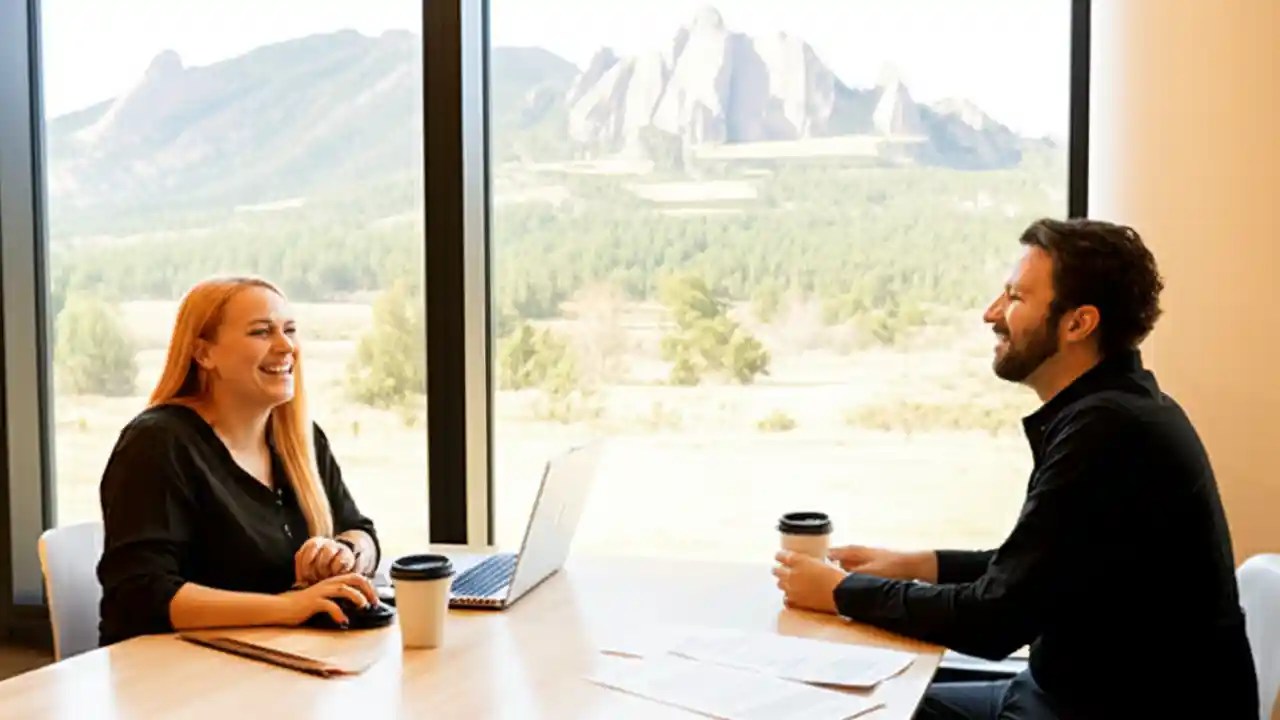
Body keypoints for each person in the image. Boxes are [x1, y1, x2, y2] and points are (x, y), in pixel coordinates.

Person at [773, 219, 1259, 719]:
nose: (992, 313)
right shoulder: (1120, 408)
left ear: (1078, 323)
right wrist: (920, 565)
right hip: (1063, 696)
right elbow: (1040, 569)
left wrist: (839, 593)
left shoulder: (1109, 431)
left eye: (1015, 298)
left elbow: (995, 621)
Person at [96, 276, 381, 645]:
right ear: (204, 353)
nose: (286, 347)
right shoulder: (157, 442)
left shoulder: (300, 437)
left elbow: (362, 531)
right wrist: (290, 607)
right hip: (172, 676)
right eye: (262, 332)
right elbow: (140, 594)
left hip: (278, 658)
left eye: (290, 330)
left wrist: (345, 553)